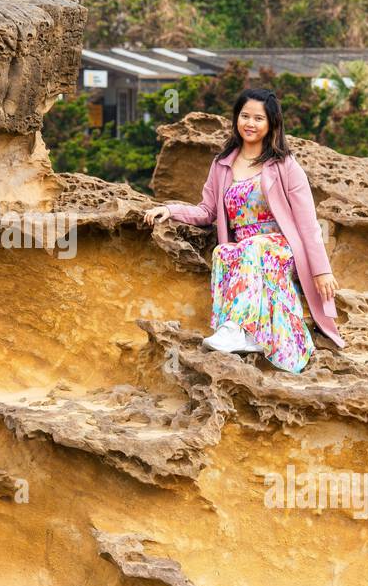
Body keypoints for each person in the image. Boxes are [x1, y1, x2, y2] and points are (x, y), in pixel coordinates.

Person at [143, 89, 345, 373]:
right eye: (244, 116)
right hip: (245, 250)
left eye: (258, 118)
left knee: (252, 247)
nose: (250, 123)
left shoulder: (285, 165)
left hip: (279, 247)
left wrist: (321, 270)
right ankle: (244, 333)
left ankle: (238, 328)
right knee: (224, 250)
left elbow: (309, 224)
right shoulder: (222, 164)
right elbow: (207, 211)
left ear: (272, 124)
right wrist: (171, 210)